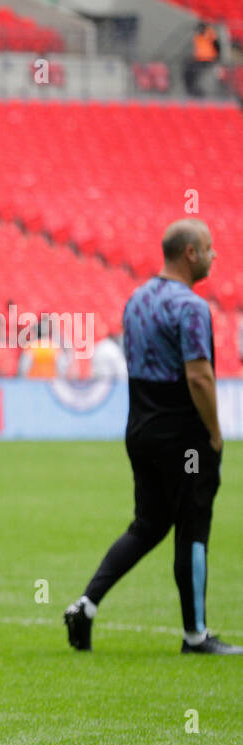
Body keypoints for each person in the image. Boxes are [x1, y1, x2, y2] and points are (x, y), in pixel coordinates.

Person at [65, 219, 239, 655]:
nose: (215, 255)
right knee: (193, 526)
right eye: (209, 247)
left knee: (148, 525)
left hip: (141, 428)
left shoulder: (136, 300)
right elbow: (199, 376)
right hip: (184, 438)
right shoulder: (191, 307)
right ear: (190, 254)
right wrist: (215, 433)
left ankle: (86, 605)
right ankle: (196, 635)